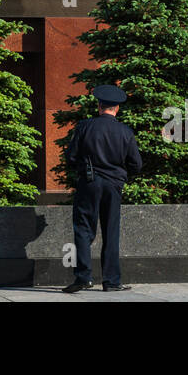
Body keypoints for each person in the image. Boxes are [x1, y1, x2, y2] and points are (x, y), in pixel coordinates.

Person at [62, 84, 144, 294]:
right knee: (111, 231)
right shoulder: (125, 131)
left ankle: (83, 277)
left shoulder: (84, 126)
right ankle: (111, 281)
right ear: (116, 109)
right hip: (114, 185)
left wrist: (83, 169)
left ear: (99, 106)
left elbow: (70, 157)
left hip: (89, 183)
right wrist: (121, 175)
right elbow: (136, 164)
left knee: (83, 228)